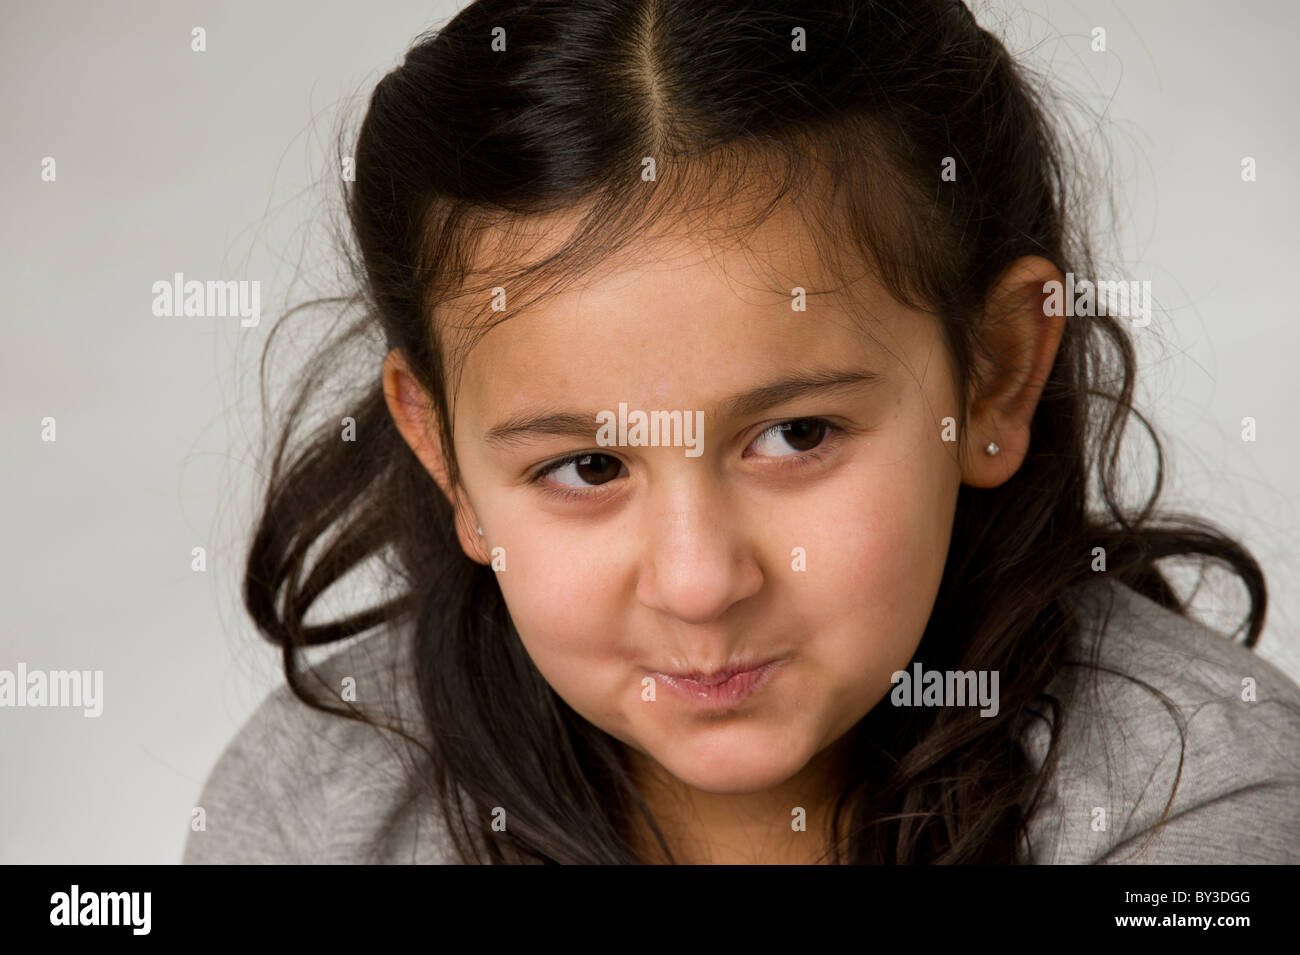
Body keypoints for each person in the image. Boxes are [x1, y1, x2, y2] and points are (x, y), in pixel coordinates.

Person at [185, 0, 1300, 864]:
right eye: (586, 465)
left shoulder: (1195, 814)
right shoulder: (325, 797)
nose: (699, 582)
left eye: (797, 435)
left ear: (995, 374)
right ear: (446, 458)